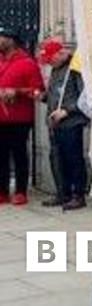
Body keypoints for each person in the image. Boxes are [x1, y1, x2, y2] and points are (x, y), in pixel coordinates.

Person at [39, 38, 88, 210]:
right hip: (55, 123)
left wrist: (67, 111)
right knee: (57, 159)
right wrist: (43, 97)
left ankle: (78, 195)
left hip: (71, 122)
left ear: (60, 54)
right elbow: (55, 94)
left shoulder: (74, 69)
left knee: (73, 159)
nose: (49, 63)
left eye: (50, 59)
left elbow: (84, 97)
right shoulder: (55, 70)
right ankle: (63, 192)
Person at [0, 25, 44, 206]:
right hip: (0, 117)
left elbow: (38, 91)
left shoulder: (27, 63)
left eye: (2, 37)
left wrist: (17, 92)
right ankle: (2, 191)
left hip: (19, 118)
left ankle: (20, 191)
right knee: (0, 155)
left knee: (19, 154)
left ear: (11, 40)